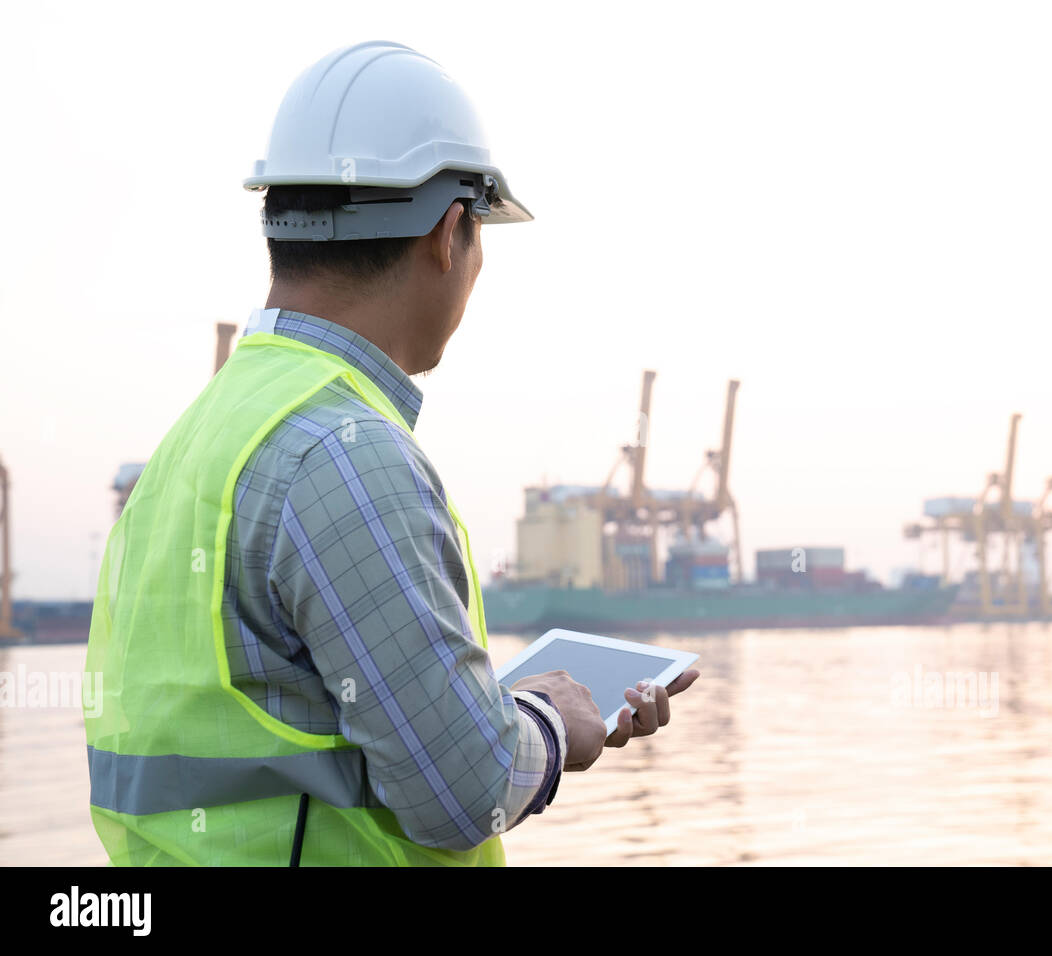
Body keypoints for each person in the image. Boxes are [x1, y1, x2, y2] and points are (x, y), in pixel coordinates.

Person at [83, 40, 698, 866]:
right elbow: (458, 794)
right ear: (451, 234)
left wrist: (483, 707)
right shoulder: (346, 453)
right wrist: (552, 727)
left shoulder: (196, 442)